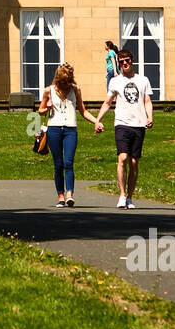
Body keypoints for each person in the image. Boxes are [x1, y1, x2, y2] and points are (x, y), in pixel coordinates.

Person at [37, 62, 104, 208]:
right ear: (58, 79)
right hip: (54, 129)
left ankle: (69, 195)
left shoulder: (75, 89)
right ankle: (60, 196)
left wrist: (96, 122)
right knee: (58, 164)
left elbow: (83, 111)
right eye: (63, 82)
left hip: (70, 130)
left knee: (69, 162)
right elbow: (40, 110)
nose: (66, 84)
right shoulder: (49, 91)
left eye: (68, 81)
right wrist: (46, 108)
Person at [98, 48, 153, 209]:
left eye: (127, 60)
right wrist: (98, 120)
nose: (124, 64)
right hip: (122, 123)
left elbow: (147, 101)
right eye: (121, 62)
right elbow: (108, 102)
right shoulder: (115, 81)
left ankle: (130, 197)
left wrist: (150, 117)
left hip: (139, 124)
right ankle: (122, 195)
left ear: (132, 60)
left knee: (134, 162)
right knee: (123, 158)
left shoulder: (143, 80)